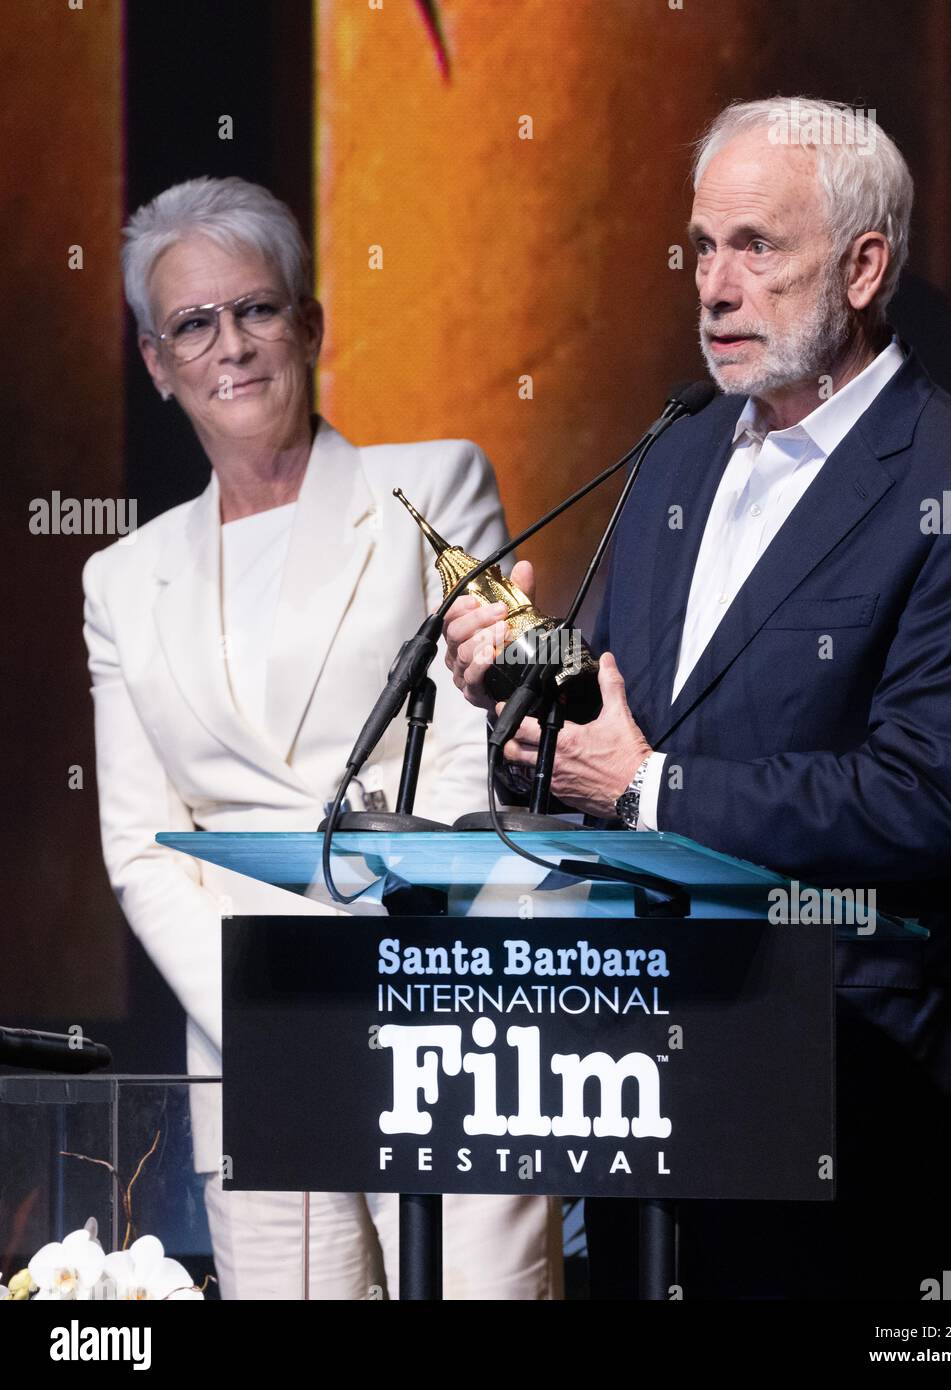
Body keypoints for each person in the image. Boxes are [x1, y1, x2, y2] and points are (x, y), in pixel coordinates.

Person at [442, 97, 951, 1299]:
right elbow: (610, 729)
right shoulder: (676, 451)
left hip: (853, 1100)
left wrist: (644, 785)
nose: (713, 285)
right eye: (701, 247)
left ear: (866, 266)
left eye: (756, 248)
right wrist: (524, 690)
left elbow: (923, 799)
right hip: (641, 1075)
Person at [82, 175, 563, 1300]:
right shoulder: (120, 578)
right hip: (248, 1027)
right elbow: (143, 845)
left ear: (309, 323)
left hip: (442, 1001)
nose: (230, 346)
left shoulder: (432, 482)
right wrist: (261, 1009)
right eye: (193, 324)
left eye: (255, 308)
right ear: (157, 362)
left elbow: (462, 755)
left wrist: (376, 977)